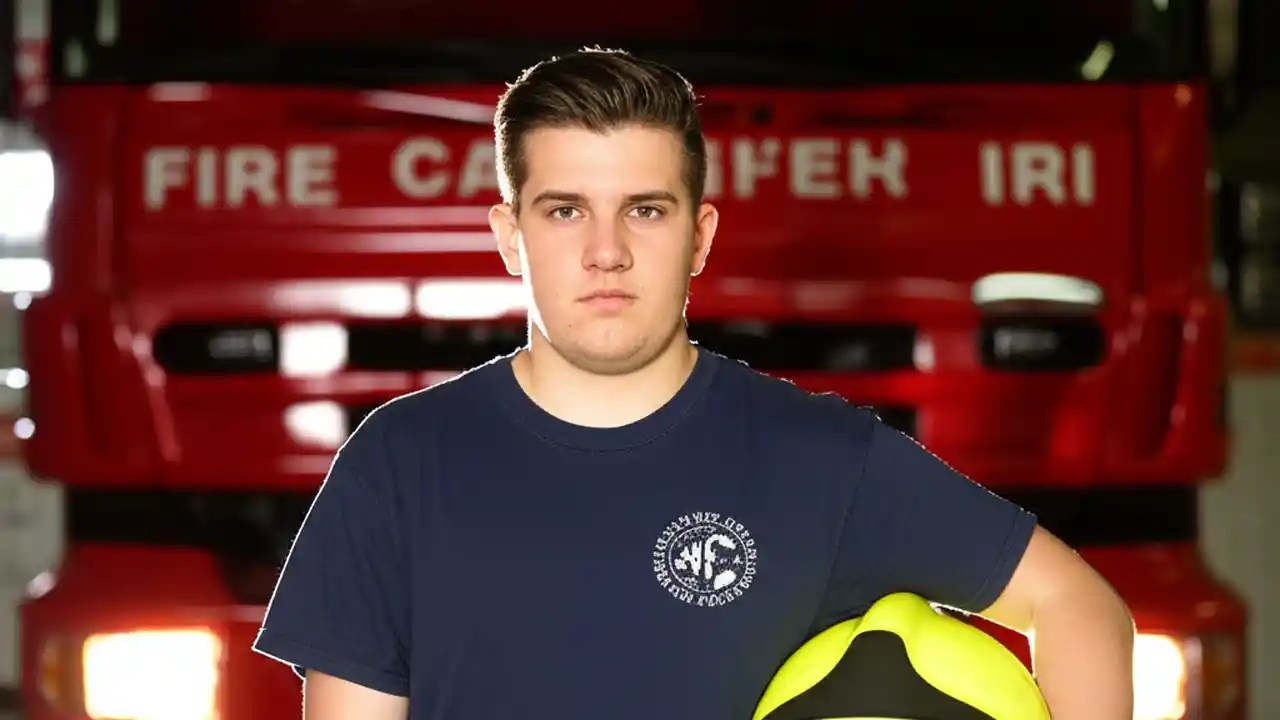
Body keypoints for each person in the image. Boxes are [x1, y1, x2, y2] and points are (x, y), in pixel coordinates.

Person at [252, 47, 1136, 720]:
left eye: (646, 209)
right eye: (565, 211)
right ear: (510, 235)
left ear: (701, 236)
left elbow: (1080, 610)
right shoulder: (400, 465)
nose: (608, 251)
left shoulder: (823, 460)